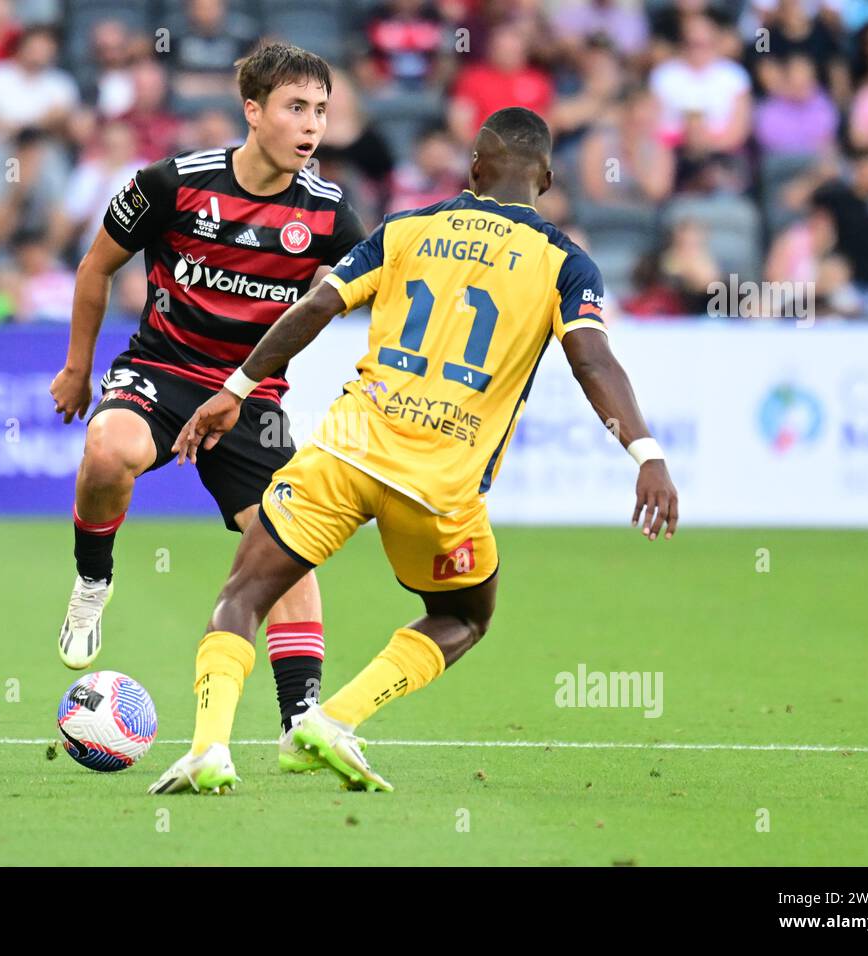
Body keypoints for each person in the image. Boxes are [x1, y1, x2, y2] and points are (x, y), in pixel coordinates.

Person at [150, 106, 679, 794]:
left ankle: (208, 749)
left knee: (244, 593)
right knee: (463, 615)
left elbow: (314, 307)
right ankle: (333, 718)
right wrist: (645, 453)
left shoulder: (404, 230)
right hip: (437, 485)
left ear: (475, 167)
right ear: (547, 177)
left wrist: (238, 387)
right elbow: (592, 360)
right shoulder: (566, 264)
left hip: (344, 451)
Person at [47, 44, 366, 768]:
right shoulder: (171, 184)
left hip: (251, 395)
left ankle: (300, 721)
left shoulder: (332, 216)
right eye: (295, 108)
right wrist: (76, 368)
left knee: (287, 546)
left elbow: (378, 291)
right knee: (106, 452)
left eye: (320, 110)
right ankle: (94, 578)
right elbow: (97, 266)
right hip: (162, 372)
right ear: (253, 112)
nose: (311, 124)